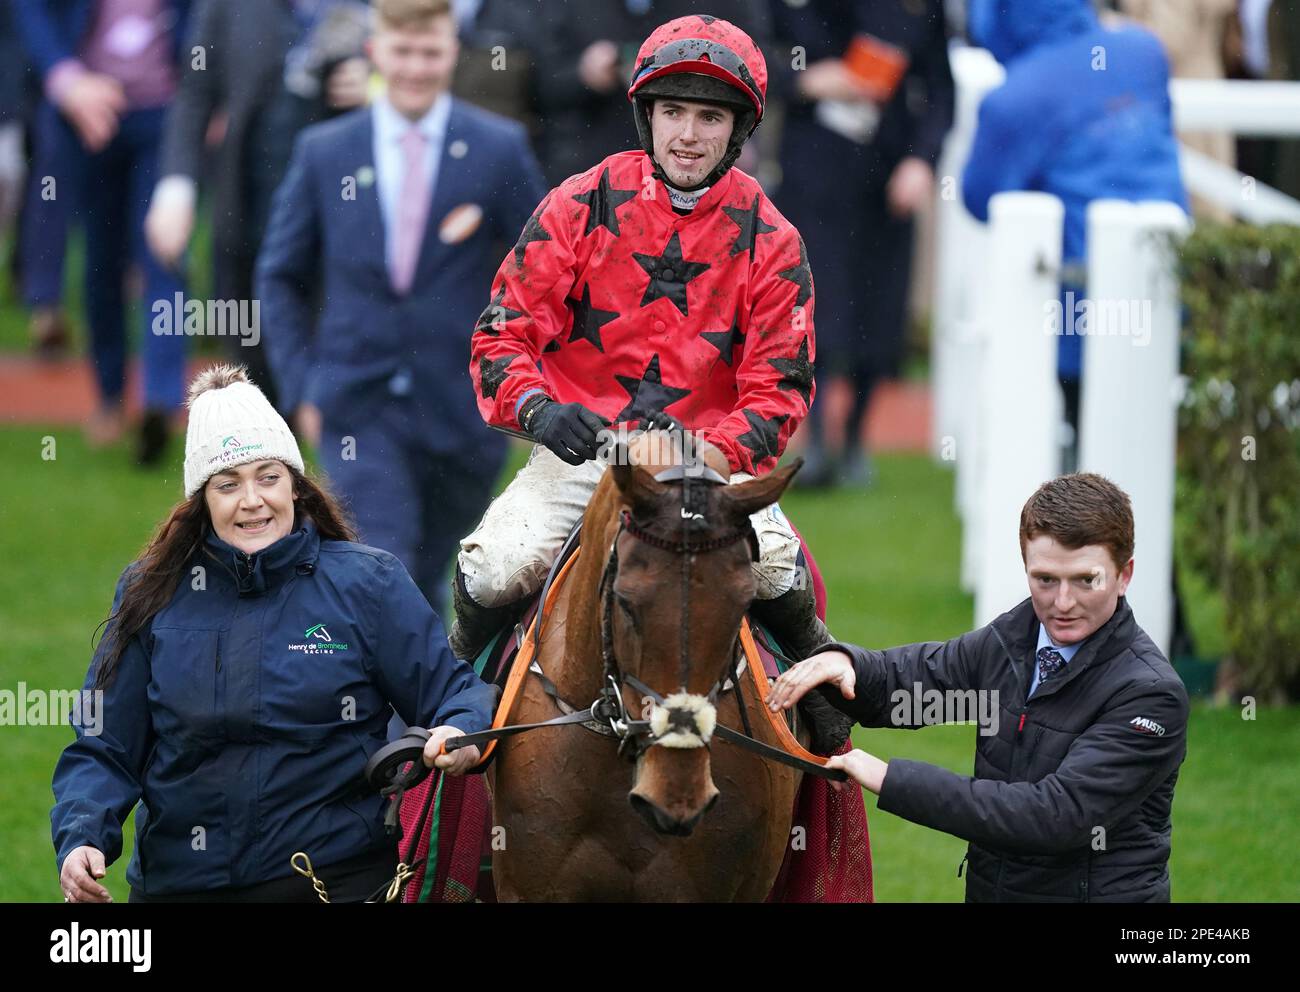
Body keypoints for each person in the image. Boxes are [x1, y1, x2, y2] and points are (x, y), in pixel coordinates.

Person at [455, 13, 841, 712]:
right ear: (646, 116)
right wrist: (541, 412)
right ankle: (453, 702)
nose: (688, 135)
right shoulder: (578, 203)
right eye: (672, 113)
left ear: (738, 131)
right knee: (491, 572)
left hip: (713, 466)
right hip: (585, 460)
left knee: (782, 576)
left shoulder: (775, 240)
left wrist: (699, 454)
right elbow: (500, 338)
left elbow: (779, 392)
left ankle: (822, 710)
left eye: (708, 118)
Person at [53, 364, 495, 903]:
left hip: (330, 882)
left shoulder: (368, 583)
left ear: (296, 485)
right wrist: (80, 838)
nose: (252, 500)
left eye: (268, 476)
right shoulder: (151, 592)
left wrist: (461, 732)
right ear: (201, 502)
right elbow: (104, 746)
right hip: (180, 885)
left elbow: (455, 693)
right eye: (228, 484)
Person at [769, 473, 1190, 902]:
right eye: (1045, 579)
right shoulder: (1017, 635)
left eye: (1086, 580)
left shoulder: (1150, 695)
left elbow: (1055, 816)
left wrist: (889, 778)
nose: (1063, 603)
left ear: (1124, 576)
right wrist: (849, 666)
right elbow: (925, 681)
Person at [257, 0, 546, 613]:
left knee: (439, 573)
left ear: (453, 54)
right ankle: (390, 711)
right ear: (375, 52)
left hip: (464, 410)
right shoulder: (324, 150)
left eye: (431, 52)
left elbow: (544, 273)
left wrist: (529, 387)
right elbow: (280, 275)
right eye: (403, 51)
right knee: (383, 565)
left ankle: (432, 705)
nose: (415, 67)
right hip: (358, 402)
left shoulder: (497, 147)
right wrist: (302, 384)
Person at [961, 0, 1187, 469]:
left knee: (1093, 468)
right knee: (1148, 456)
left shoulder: (1016, 98)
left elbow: (980, 196)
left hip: (1079, 312)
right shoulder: (1144, 52)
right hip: (1173, 290)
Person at [145, 0, 373, 412]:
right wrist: (175, 188)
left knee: (346, 368)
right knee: (254, 360)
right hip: (249, 210)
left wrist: (378, 86)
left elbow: (438, 61)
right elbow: (195, 93)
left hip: (349, 218)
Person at [769, 0, 953, 489]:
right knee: (815, 307)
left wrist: (922, 162)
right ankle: (817, 441)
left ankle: (855, 440)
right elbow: (758, 52)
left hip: (888, 176)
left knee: (880, 308)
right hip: (813, 173)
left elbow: (939, 88)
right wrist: (804, 79)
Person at [13, 0, 195, 464]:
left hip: (164, 115)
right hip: (85, 118)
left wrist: (203, 95)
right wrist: (66, 78)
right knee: (100, 260)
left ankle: (160, 399)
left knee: (165, 251)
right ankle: (111, 396)